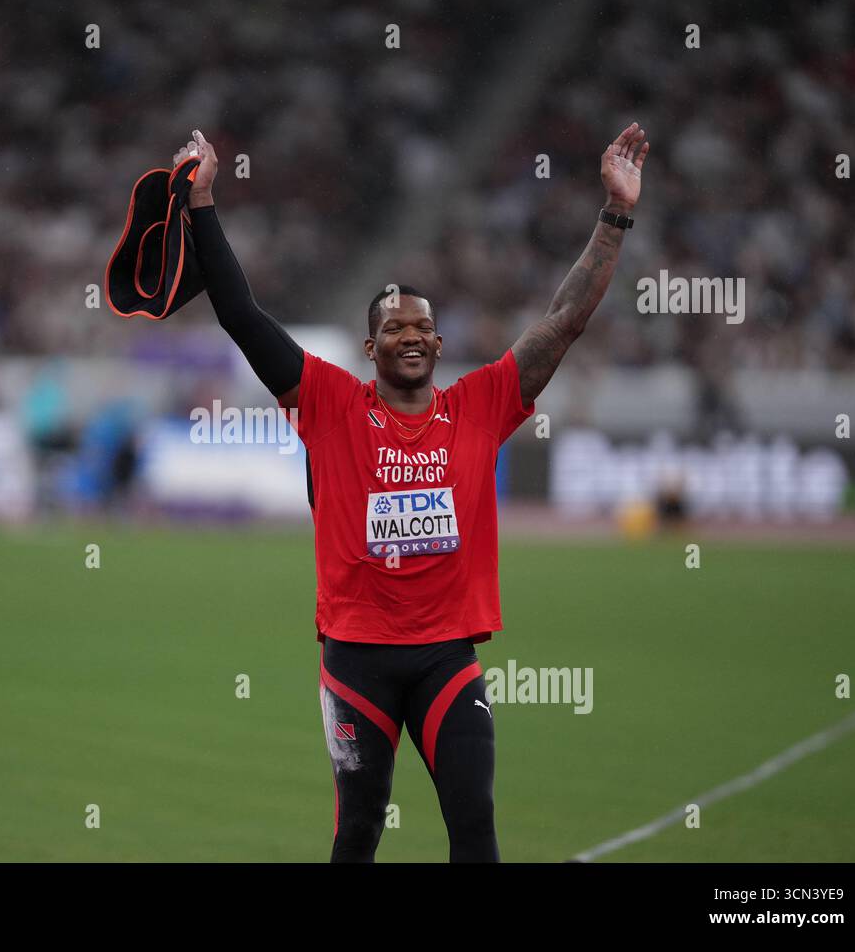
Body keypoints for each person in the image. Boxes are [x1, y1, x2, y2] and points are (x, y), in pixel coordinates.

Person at [177, 124, 648, 862]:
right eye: (395, 326)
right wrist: (201, 198)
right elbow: (242, 315)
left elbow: (564, 323)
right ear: (370, 349)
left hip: (445, 661)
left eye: (423, 327)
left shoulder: (479, 405)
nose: (412, 336)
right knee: (358, 832)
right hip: (357, 660)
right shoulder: (329, 405)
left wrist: (615, 215)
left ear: (437, 343)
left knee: (475, 824)